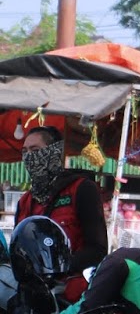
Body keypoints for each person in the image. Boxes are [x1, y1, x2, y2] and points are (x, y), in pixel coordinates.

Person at [16, 124, 107, 302]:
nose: (29, 157)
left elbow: (97, 249)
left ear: (54, 153)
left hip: (73, 296)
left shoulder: (82, 189)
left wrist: (56, 268)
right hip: (34, 295)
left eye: (35, 150)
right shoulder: (25, 201)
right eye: (25, 151)